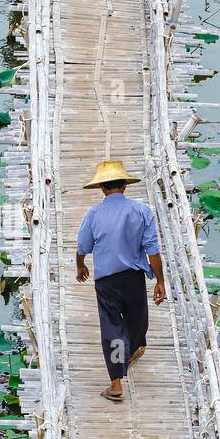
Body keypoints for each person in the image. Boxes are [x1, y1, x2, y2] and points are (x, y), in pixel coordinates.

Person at [75, 159, 166, 402]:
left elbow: (83, 246)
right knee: (138, 323)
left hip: (106, 281)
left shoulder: (93, 214)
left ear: (102, 188)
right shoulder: (141, 211)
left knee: (113, 330)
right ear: (125, 186)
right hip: (133, 278)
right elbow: (152, 250)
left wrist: (80, 265)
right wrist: (160, 281)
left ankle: (116, 382)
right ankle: (128, 353)